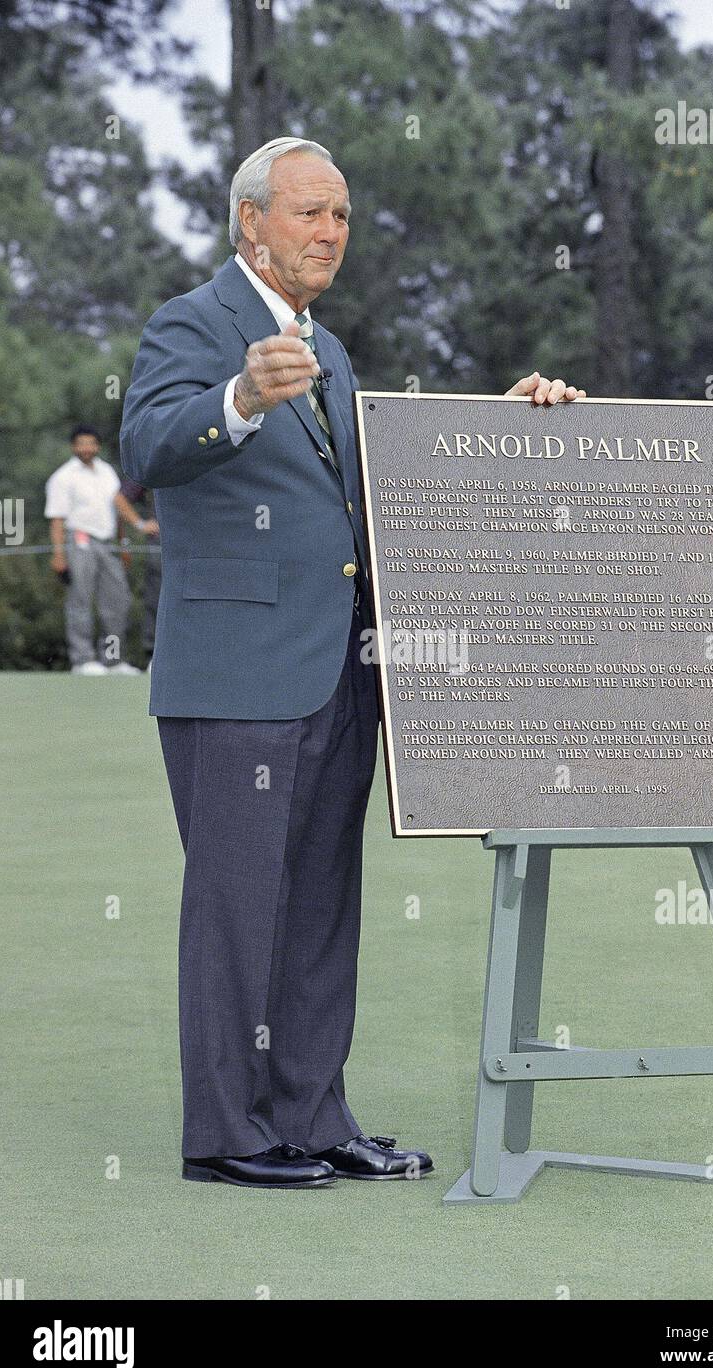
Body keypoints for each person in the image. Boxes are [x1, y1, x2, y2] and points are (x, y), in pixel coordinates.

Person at [120, 135, 586, 1192]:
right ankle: (226, 1134)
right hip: (235, 675)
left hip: (343, 672)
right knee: (239, 905)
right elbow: (146, 448)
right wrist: (238, 398)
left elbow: (379, 494)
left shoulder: (330, 348)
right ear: (251, 221)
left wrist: (501, 431)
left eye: (341, 215)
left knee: (323, 907)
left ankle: (315, 1117)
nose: (330, 232)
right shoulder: (194, 325)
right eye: (309, 212)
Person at [45, 426, 159, 674]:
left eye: (91, 443)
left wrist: (124, 543)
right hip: (80, 541)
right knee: (81, 600)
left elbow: (117, 510)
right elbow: (57, 519)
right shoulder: (63, 477)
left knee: (118, 601)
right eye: (81, 443)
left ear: (97, 446)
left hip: (109, 543)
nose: (86, 448)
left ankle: (113, 659)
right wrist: (58, 555)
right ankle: (82, 660)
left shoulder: (107, 471)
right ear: (73, 447)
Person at [118, 477, 160, 666]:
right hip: (161, 542)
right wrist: (141, 524)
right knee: (157, 596)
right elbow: (120, 498)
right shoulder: (158, 461)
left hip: (196, 542)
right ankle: (154, 655)